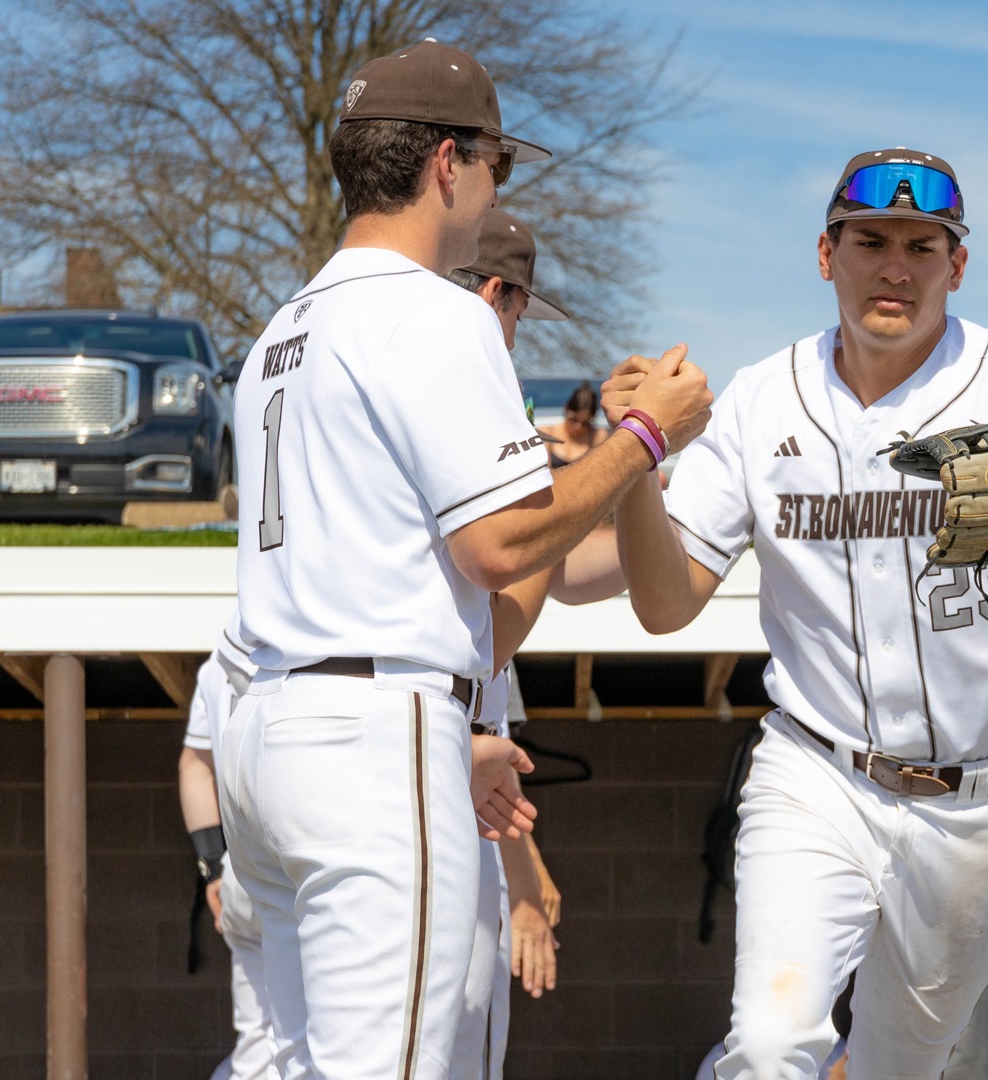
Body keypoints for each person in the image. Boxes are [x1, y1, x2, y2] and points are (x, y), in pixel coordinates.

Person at [607, 146, 988, 1078]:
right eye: (871, 239)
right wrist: (632, 459)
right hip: (818, 772)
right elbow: (666, 606)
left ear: (957, 266)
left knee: (897, 1068)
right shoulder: (762, 399)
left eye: (924, 245)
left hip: (983, 802)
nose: (896, 266)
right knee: (769, 1042)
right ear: (826, 253)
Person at [216, 39, 711, 1077]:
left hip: (266, 729)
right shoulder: (434, 310)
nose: (493, 190)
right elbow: (501, 547)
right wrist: (644, 440)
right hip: (373, 734)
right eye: (496, 165)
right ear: (448, 162)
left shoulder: (282, 327)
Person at [446, 207, 572, 1080]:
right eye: (520, 314)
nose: (517, 336)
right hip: (412, 787)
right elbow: (491, 631)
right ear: (498, 295)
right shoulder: (465, 413)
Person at [176, 622, 270, 1080]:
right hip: (305, 867)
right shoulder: (319, 643)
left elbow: (195, 765)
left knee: (257, 1047)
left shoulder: (219, 661)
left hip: (242, 871)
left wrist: (213, 867)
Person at [540, 385, 604, 465]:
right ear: (566, 409)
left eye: (585, 423)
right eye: (573, 420)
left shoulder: (597, 436)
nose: (578, 427)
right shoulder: (548, 433)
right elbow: (544, 473)